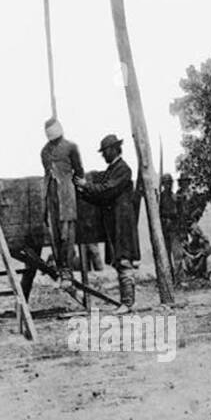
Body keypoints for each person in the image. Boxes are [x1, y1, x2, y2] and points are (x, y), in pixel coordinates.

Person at [79, 133, 140, 314]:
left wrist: (86, 185)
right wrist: (84, 191)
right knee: (119, 261)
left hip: (122, 222)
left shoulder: (123, 169)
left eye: (105, 151)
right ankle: (127, 301)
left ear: (114, 149)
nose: (104, 155)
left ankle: (128, 303)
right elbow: (100, 194)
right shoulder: (112, 170)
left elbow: (107, 189)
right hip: (114, 223)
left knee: (124, 261)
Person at [40, 118, 86, 300]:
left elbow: (79, 171)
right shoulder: (44, 151)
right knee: (55, 233)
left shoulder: (71, 147)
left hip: (66, 195)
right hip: (51, 195)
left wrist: (76, 187)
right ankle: (61, 268)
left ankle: (67, 270)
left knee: (67, 233)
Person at [159, 173, 180, 281]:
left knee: (177, 254)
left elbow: (178, 213)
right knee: (166, 255)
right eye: (166, 183)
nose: (169, 185)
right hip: (164, 229)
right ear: (163, 184)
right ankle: (169, 277)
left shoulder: (174, 197)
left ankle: (178, 278)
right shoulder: (160, 198)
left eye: (170, 183)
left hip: (174, 228)